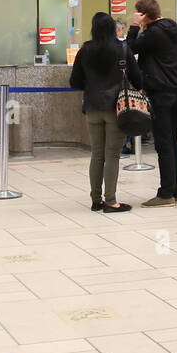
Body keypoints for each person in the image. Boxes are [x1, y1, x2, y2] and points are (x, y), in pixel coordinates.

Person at [70, 12, 139, 213]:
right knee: (112, 155)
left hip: (92, 107)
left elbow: (74, 81)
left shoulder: (85, 50)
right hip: (115, 108)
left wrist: (90, 85)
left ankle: (95, 200)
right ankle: (111, 201)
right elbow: (137, 77)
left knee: (97, 154)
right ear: (111, 28)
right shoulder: (122, 49)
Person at [126, 0, 177, 207]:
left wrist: (134, 26)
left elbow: (129, 48)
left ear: (144, 15)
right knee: (172, 141)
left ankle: (166, 193)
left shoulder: (152, 33)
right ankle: (176, 189)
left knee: (163, 142)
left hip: (160, 92)